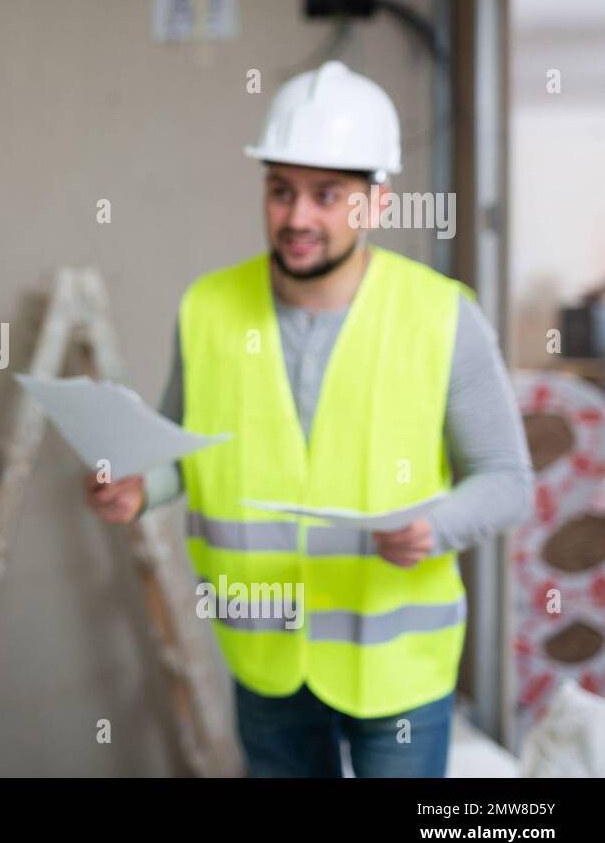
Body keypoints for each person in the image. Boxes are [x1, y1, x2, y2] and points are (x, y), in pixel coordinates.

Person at [85, 61, 532, 777]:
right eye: (281, 191)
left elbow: (508, 481)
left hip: (395, 672)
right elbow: (180, 450)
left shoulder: (443, 315)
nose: (298, 218)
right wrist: (142, 488)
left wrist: (433, 528)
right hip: (264, 654)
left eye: (327, 195)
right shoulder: (208, 306)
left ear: (376, 203)